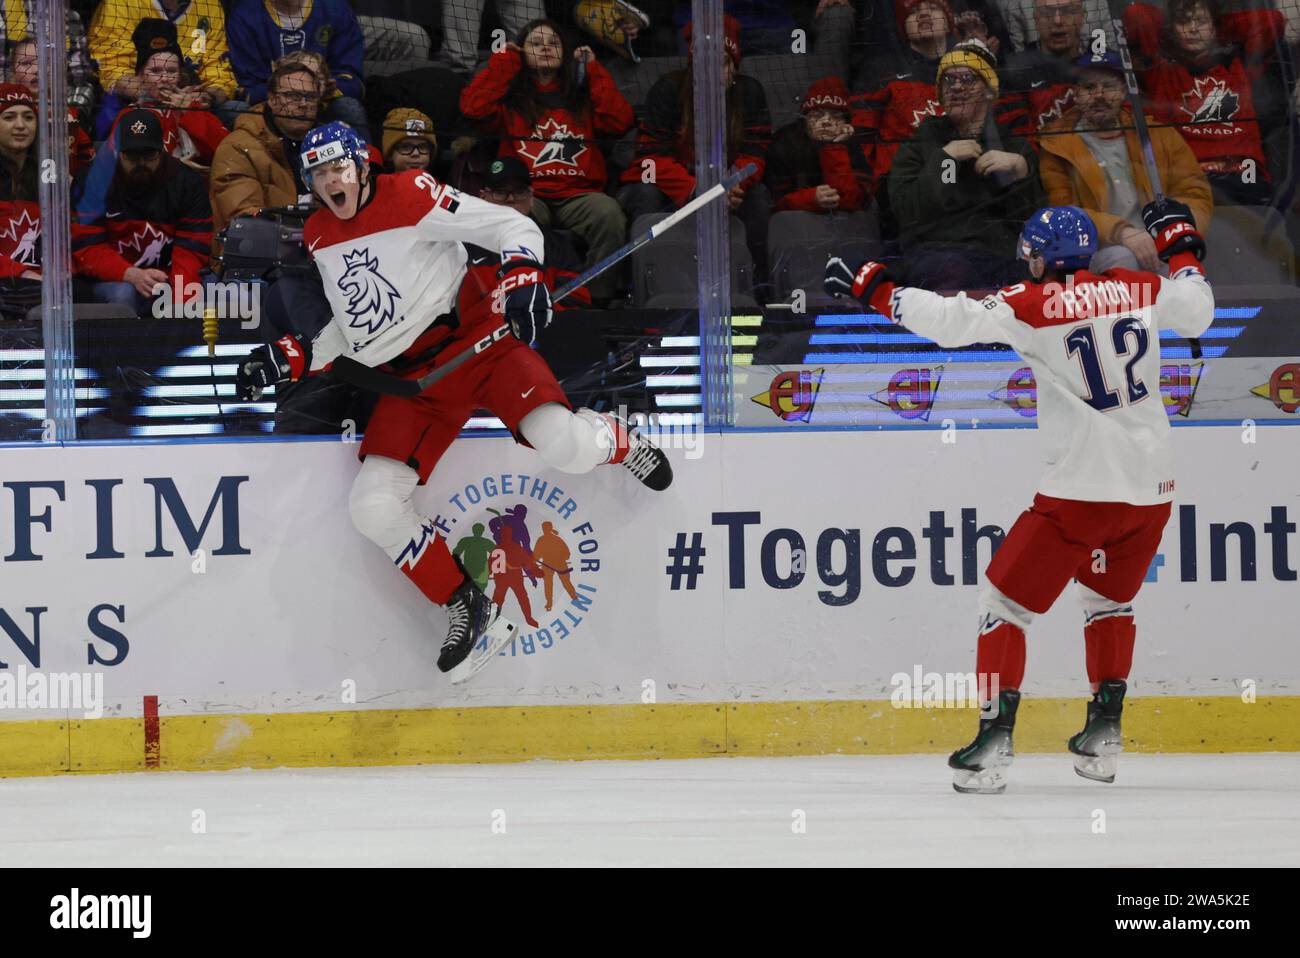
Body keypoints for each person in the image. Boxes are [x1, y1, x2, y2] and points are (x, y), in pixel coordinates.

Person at [233, 122, 673, 682]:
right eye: (319, 173)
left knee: (564, 446)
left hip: (481, 346)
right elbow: (361, 326)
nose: (331, 180)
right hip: (418, 382)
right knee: (372, 506)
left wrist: (521, 273)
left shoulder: (412, 190)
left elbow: (511, 224)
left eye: (338, 167)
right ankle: (471, 606)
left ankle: (614, 438)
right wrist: (294, 356)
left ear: (363, 166)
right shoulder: (320, 234)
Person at [826, 202, 1213, 793]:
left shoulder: (1027, 305)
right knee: (1107, 604)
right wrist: (1180, 244)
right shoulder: (1138, 286)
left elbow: (950, 322)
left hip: (1080, 491)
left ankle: (993, 741)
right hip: (1151, 489)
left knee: (1002, 606)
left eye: (1030, 252)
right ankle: (1103, 739)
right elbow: (1198, 310)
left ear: (1040, 256)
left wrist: (876, 288)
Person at [459, 19, 632, 304]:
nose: (546, 49)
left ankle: (594, 299)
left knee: (609, 214)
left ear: (565, 53)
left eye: (554, 43)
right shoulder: (510, 100)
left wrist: (593, 70)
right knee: (510, 219)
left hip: (578, 194)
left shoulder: (580, 96)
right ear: (521, 53)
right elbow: (472, 108)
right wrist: (505, 61)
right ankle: (521, 296)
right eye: (535, 44)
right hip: (526, 192)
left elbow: (619, 122)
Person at [616, 15, 771, 274]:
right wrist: (696, 190)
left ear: (733, 69)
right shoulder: (668, 89)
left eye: (721, 63)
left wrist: (730, 185)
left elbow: (756, 155)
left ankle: (758, 282)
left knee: (758, 197)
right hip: (674, 184)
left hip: (727, 185)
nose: (712, 72)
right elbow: (648, 161)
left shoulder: (751, 92)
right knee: (646, 194)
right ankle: (643, 280)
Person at [887, 39, 1042, 288]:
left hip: (1001, 254)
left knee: (1037, 277)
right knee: (953, 271)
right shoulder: (922, 142)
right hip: (939, 254)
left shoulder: (1014, 147)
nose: (956, 87)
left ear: (989, 90)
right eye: (948, 80)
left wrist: (1021, 173)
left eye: (968, 79)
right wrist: (945, 161)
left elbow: (1033, 221)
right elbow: (907, 212)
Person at [1038, 52, 1212, 272]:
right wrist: (1122, 233)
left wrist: (1172, 231)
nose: (1099, 95)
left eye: (1109, 87)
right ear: (1076, 94)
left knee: (1185, 263)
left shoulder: (1159, 135)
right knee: (1124, 258)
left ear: (1123, 91)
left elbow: (1195, 193)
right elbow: (1063, 215)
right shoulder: (1056, 145)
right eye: (1089, 88)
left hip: (1161, 242)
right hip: (1096, 252)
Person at [1125, 0, 1286, 206]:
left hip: (1245, 175)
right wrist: (1178, 22)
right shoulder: (1161, 74)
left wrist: (1219, 26)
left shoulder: (1239, 67)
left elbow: (1273, 21)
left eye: (1200, 21)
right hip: (1192, 179)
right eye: (1184, 22)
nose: (1193, 29)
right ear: (1171, 29)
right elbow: (1136, 14)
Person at [73, 109, 213, 317]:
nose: (140, 163)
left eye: (148, 155)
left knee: (229, 294)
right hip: (112, 278)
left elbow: (192, 250)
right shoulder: (92, 180)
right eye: (131, 155)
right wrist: (129, 274)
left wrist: (180, 306)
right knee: (123, 294)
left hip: (171, 275)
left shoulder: (187, 183)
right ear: (117, 152)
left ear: (162, 150)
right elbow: (88, 247)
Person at [226, 0, 370, 140]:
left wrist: (327, 87)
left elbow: (352, 78)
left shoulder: (335, 8)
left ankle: (368, 162)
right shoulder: (244, 14)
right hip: (270, 106)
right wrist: (286, 94)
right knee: (233, 109)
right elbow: (248, 84)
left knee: (349, 108)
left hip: (323, 103)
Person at [209, 61, 324, 234]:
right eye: (293, 96)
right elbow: (244, 222)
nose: (303, 104)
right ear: (272, 100)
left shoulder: (330, 143)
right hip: (257, 252)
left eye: (311, 97)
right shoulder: (238, 148)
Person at [88, 0, 238, 126]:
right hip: (134, 101)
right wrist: (154, 94)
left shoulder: (209, 4)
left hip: (192, 103)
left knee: (238, 109)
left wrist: (204, 98)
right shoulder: (121, 3)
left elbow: (218, 71)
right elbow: (112, 69)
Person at [472, 156, 591, 308]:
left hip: (543, 330)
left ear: (531, 198)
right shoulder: (463, 246)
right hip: (481, 330)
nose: (511, 199)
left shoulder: (556, 245)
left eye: (520, 191)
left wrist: (538, 318)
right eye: (500, 192)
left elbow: (577, 300)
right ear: (483, 197)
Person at [766, 77, 870, 213]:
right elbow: (774, 205)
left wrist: (834, 147)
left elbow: (852, 201)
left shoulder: (853, 143)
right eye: (817, 115)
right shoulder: (784, 142)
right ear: (805, 120)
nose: (826, 121)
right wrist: (810, 199)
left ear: (846, 123)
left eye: (835, 115)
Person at [380, 108, 437, 173]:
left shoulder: (437, 183)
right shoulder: (377, 183)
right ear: (390, 154)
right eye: (406, 147)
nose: (416, 153)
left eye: (422, 147)